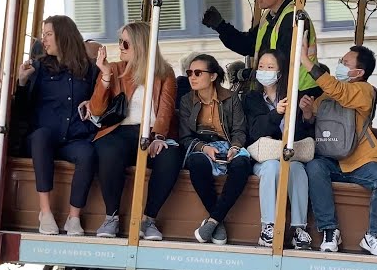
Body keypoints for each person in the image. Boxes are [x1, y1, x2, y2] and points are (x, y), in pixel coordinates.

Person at [88, 21, 182, 241]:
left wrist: (159, 137)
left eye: (125, 43)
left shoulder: (164, 72)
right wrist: (105, 77)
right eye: (120, 41)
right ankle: (111, 217)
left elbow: (165, 109)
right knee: (108, 150)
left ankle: (149, 220)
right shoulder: (114, 68)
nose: (120, 46)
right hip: (119, 132)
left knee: (170, 156)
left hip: (150, 132)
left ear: (140, 45)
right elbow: (97, 109)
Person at [300, 45, 377, 256]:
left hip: (361, 161)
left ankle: (373, 235)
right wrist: (307, 112)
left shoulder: (364, 90)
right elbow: (313, 120)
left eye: (345, 63)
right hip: (330, 160)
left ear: (359, 73)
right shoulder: (326, 95)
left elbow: (340, 91)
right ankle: (329, 230)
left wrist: (306, 61)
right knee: (315, 167)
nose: (340, 66)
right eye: (340, 62)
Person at [16, 15, 100, 236]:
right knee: (41, 135)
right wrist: (22, 82)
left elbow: (101, 103)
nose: (44, 40)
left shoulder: (89, 70)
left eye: (48, 34)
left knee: (88, 152)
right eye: (43, 35)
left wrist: (92, 102)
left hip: (73, 138)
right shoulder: (38, 67)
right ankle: (45, 212)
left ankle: (74, 218)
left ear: (63, 35)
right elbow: (22, 110)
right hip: (44, 140)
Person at [202, 0, 318, 92]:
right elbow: (249, 44)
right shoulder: (269, 16)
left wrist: (251, 74)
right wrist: (221, 26)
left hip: (299, 91)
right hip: (278, 89)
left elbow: (282, 60)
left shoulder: (293, 17)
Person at [242, 49, 314, 249]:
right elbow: (255, 131)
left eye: (270, 67)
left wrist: (306, 114)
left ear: (281, 72)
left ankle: (299, 229)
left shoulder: (294, 96)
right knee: (272, 167)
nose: (264, 71)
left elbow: (300, 135)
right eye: (261, 67)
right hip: (263, 158)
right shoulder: (252, 99)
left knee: (298, 168)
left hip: (290, 156)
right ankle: (268, 227)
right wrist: (277, 113)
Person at [179, 54, 252, 244]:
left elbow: (239, 131)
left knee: (242, 164)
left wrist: (235, 148)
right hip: (202, 147)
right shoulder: (187, 101)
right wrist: (204, 148)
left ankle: (212, 221)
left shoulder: (231, 98)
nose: (192, 77)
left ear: (212, 76)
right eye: (189, 73)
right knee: (196, 162)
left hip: (228, 145)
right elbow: (186, 137)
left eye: (197, 73)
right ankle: (216, 222)